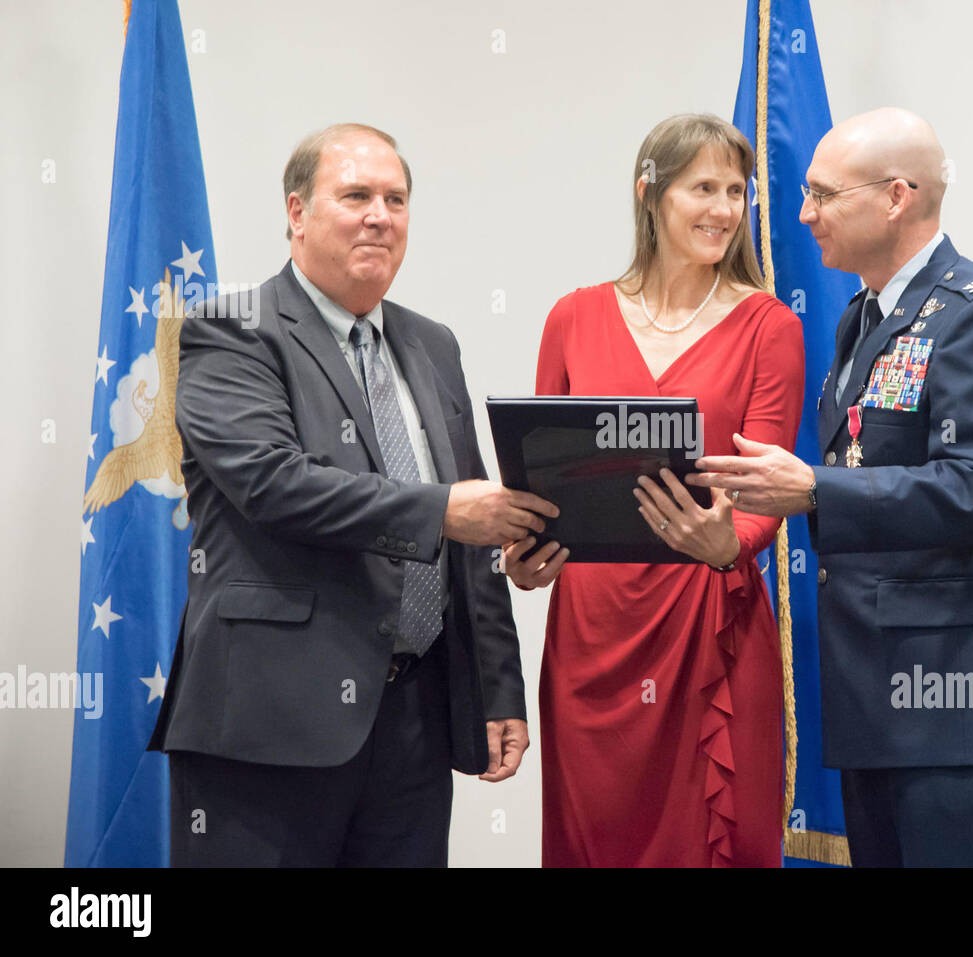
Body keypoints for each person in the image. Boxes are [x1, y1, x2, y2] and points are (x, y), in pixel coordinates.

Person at [148, 123, 558, 866]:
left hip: (414, 724)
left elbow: (468, 529)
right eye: (356, 195)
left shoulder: (433, 344)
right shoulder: (231, 328)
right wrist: (443, 512)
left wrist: (498, 686)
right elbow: (275, 484)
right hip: (270, 723)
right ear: (297, 212)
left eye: (395, 198)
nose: (380, 215)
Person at [688, 108, 973, 867]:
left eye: (824, 194)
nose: (803, 214)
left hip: (954, 700)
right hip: (878, 700)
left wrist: (816, 490)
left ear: (896, 196)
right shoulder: (863, 316)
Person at [502, 114, 805, 866]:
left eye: (737, 191)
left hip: (710, 621)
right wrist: (519, 555)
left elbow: (766, 489)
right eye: (704, 187)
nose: (725, 209)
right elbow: (537, 484)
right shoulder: (571, 318)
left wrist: (730, 541)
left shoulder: (771, 327)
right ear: (650, 194)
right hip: (590, 635)